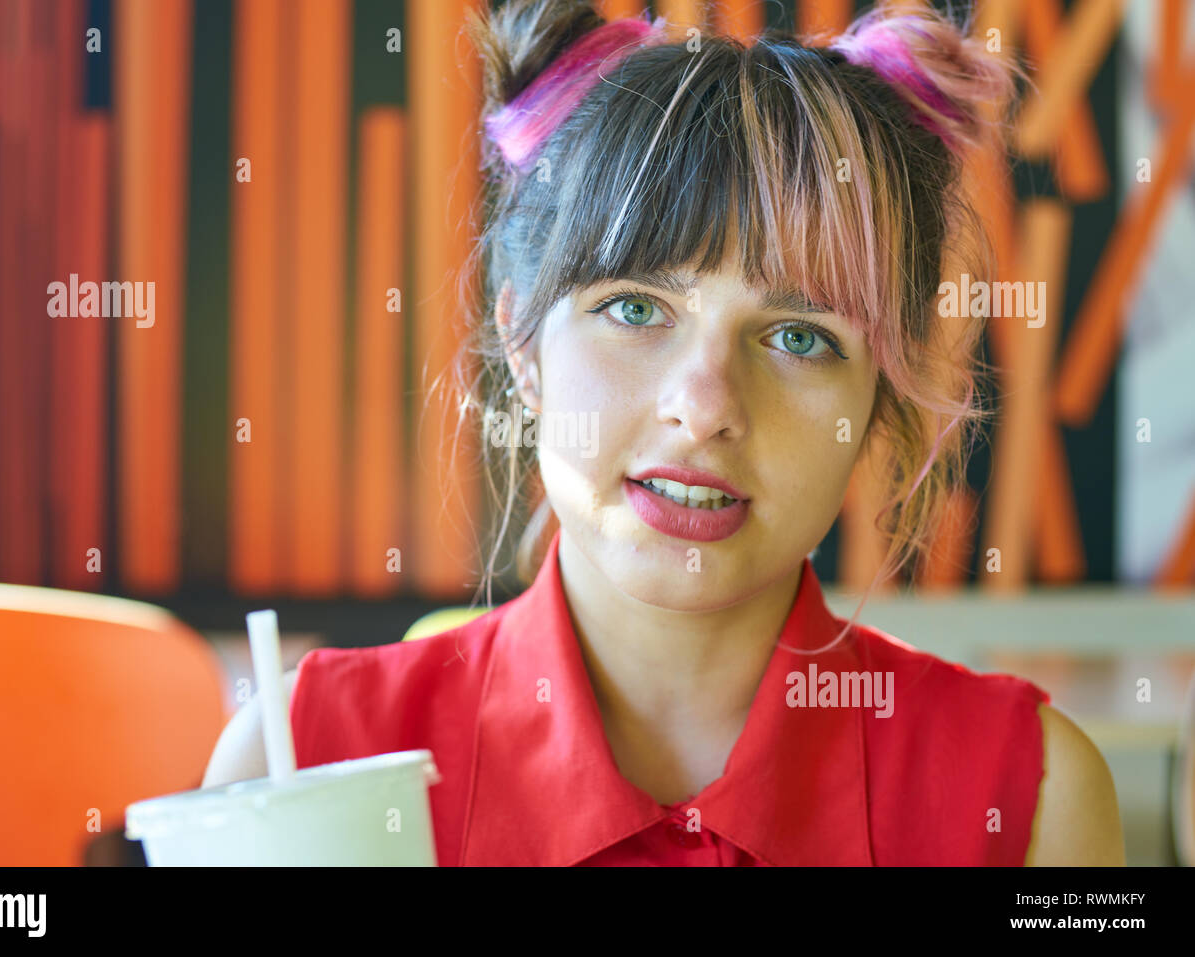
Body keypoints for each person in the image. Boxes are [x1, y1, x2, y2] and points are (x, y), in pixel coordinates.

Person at [205, 0, 1125, 866]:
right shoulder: (293, 766)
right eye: (636, 308)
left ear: (879, 392)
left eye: (800, 336)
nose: (706, 403)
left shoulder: (1031, 802)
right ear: (524, 346)